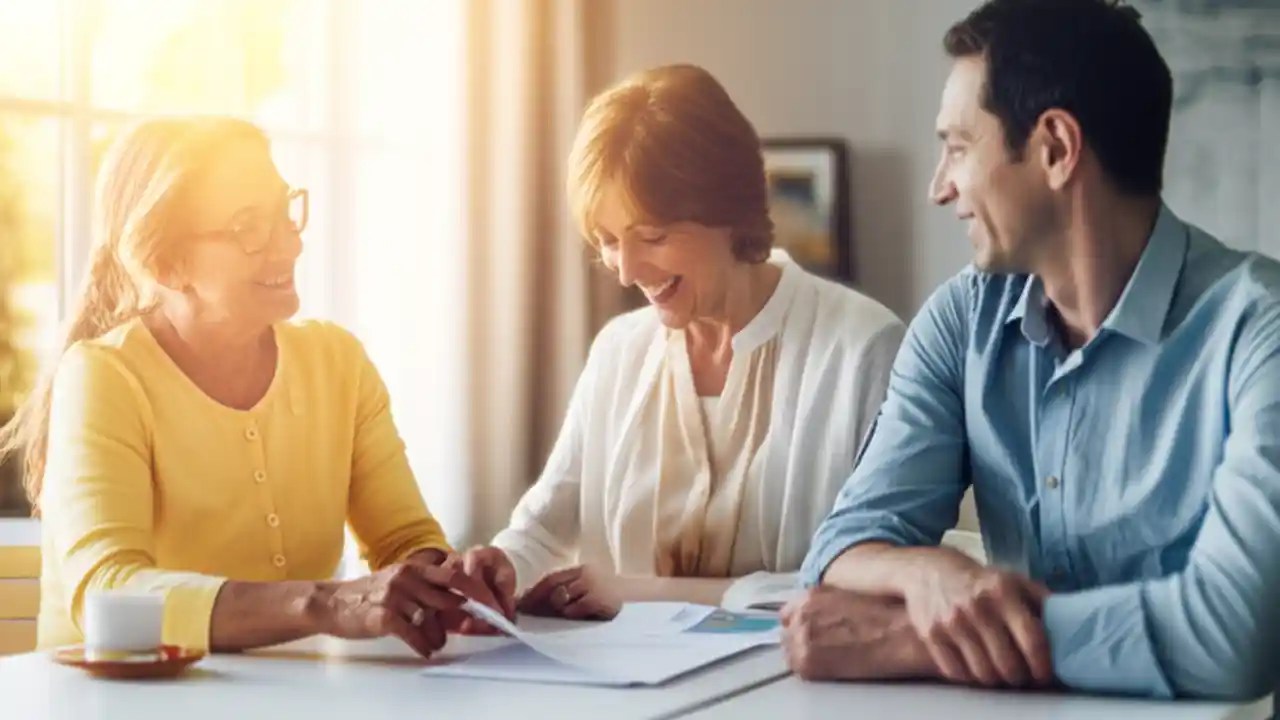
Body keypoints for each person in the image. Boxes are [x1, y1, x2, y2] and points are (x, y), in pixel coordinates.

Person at [784, 0, 1280, 701]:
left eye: (957, 147)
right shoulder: (960, 321)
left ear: (1054, 148)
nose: (939, 187)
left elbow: (1232, 634)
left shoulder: (1260, 330)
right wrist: (934, 575)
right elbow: (843, 548)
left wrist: (912, 638)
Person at [0, 118, 510, 658]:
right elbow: (107, 588)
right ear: (165, 263)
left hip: (279, 698)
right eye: (249, 226)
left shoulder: (337, 362)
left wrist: (450, 581)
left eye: (285, 212)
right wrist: (326, 604)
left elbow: (405, 540)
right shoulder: (104, 377)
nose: (289, 244)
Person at [455, 64, 904, 619]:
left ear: (728, 212)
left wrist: (642, 591)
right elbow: (544, 531)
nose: (626, 271)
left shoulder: (863, 348)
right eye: (608, 241)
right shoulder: (619, 351)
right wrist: (501, 566)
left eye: (652, 237)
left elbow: (877, 574)